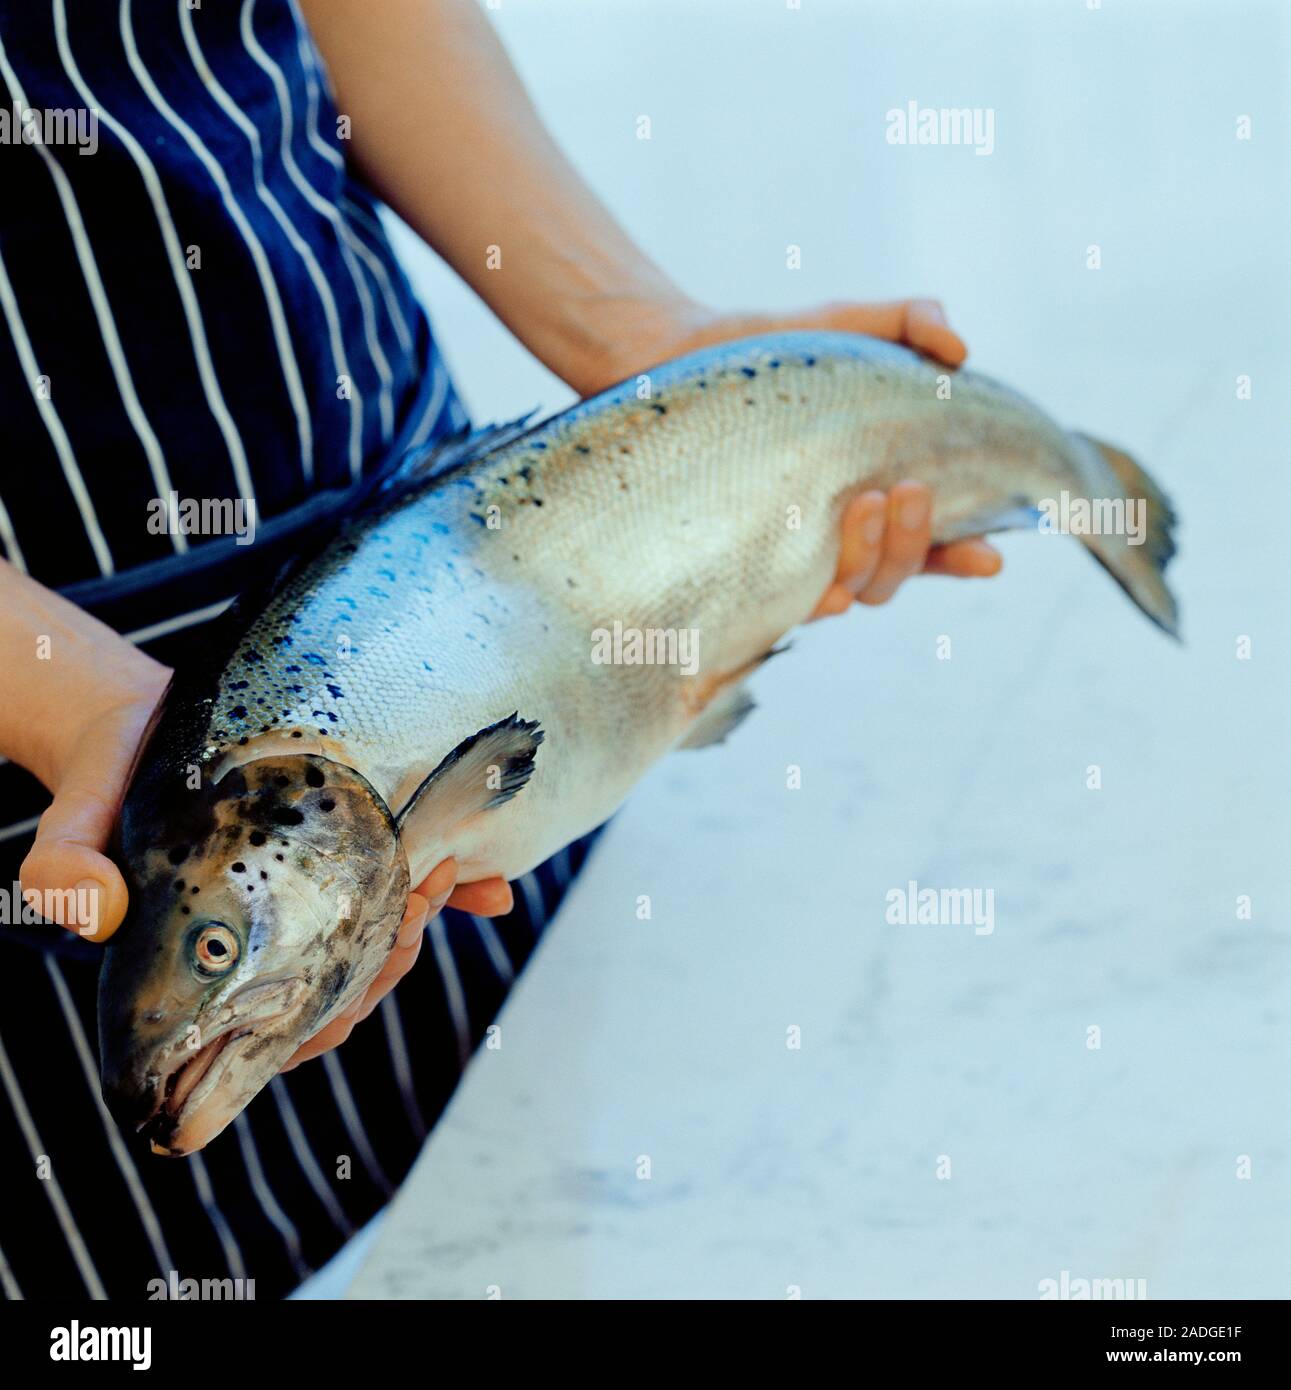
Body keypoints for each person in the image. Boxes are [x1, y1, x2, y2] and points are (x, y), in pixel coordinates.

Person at [0, 0, 999, 1300]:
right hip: (55, 765)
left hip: (438, 549)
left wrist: (638, 350)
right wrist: (69, 705)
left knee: (551, 1220)